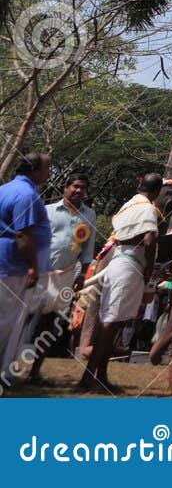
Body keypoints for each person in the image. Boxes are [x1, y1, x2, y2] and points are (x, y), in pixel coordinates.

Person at [80, 172, 162, 391]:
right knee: (110, 324)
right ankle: (88, 378)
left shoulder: (128, 204)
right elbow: (150, 239)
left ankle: (101, 375)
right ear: (158, 192)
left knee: (111, 321)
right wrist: (149, 269)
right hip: (130, 266)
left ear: (140, 185)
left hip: (118, 261)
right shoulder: (147, 209)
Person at [24, 172, 95, 384]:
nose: (79, 191)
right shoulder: (47, 211)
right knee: (24, 319)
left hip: (66, 276)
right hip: (40, 273)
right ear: (65, 188)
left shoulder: (89, 215)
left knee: (50, 323)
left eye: (83, 188)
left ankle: (35, 372)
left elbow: (87, 248)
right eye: (75, 186)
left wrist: (82, 274)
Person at [0, 152, 52, 390]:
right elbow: (23, 235)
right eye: (47, 168)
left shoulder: (6, 189)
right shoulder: (26, 195)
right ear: (35, 170)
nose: (49, 173)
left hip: (7, 264)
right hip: (14, 267)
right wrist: (33, 265)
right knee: (8, 324)